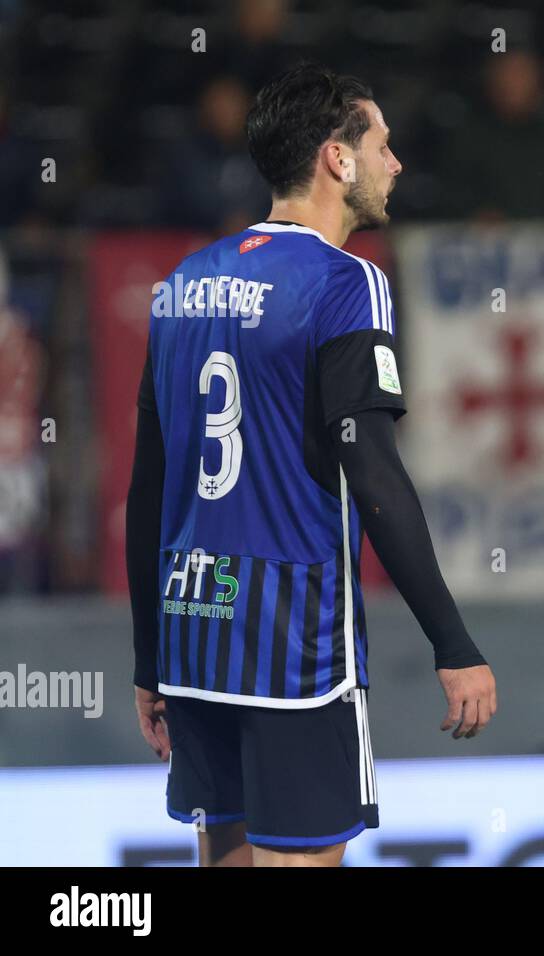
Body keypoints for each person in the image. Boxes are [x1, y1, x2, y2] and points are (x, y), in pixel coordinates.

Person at [126, 64, 496, 868]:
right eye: (383, 144)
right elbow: (375, 476)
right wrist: (453, 641)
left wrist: (149, 657)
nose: (396, 163)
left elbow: (147, 488)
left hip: (194, 632)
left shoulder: (183, 284)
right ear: (338, 158)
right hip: (294, 644)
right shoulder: (345, 283)